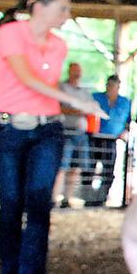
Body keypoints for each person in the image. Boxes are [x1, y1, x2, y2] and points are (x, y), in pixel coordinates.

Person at [0, 0, 107, 274]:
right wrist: (76, 102)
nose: (67, 15)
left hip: (47, 130)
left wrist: (68, 103)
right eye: (63, 8)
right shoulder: (11, 33)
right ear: (40, 6)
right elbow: (26, 78)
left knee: (39, 204)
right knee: (11, 204)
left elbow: (43, 86)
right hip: (8, 128)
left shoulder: (58, 45)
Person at [85, 74, 131, 207]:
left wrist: (125, 132)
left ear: (118, 87)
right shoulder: (96, 98)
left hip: (112, 139)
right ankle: (88, 196)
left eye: (113, 85)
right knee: (90, 168)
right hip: (95, 137)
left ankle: (101, 197)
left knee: (108, 171)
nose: (110, 88)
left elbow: (128, 121)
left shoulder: (125, 102)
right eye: (109, 85)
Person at [54, 62, 91, 208]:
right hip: (65, 131)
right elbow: (58, 107)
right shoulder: (62, 88)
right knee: (62, 166)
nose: (77, 73)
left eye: (79, 71)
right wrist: (76, 110)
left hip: (81, 132)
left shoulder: (85, 91)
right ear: (69, 72)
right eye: (74, 70)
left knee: (75, 167)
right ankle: (54, 197)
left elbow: (91, 108)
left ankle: (67, 198)